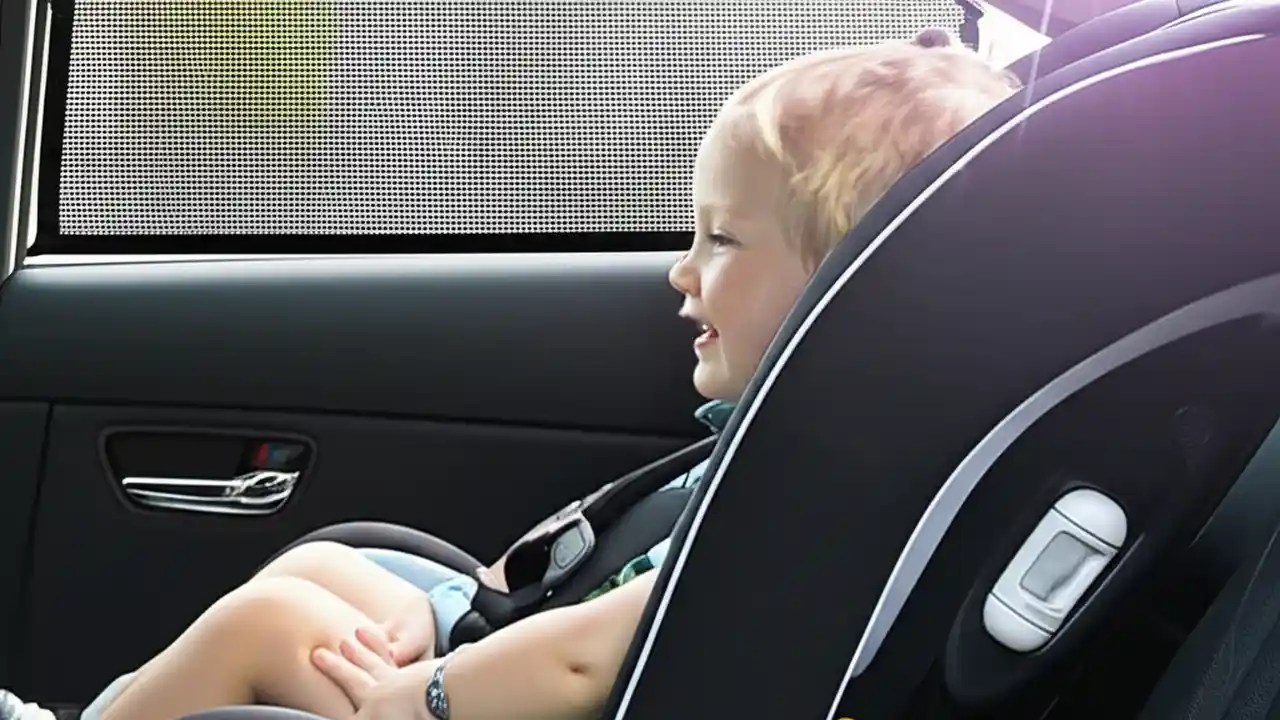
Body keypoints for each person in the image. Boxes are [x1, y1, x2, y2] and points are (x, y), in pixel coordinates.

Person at [50, 28, 1017, 720]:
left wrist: (419, 695)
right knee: (321, 573)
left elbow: (592, 659)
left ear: (854, 286)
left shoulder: (813, 499)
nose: (681, 269)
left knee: (268, 622)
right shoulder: (819, 442)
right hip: (529, 673)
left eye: (721, 238)